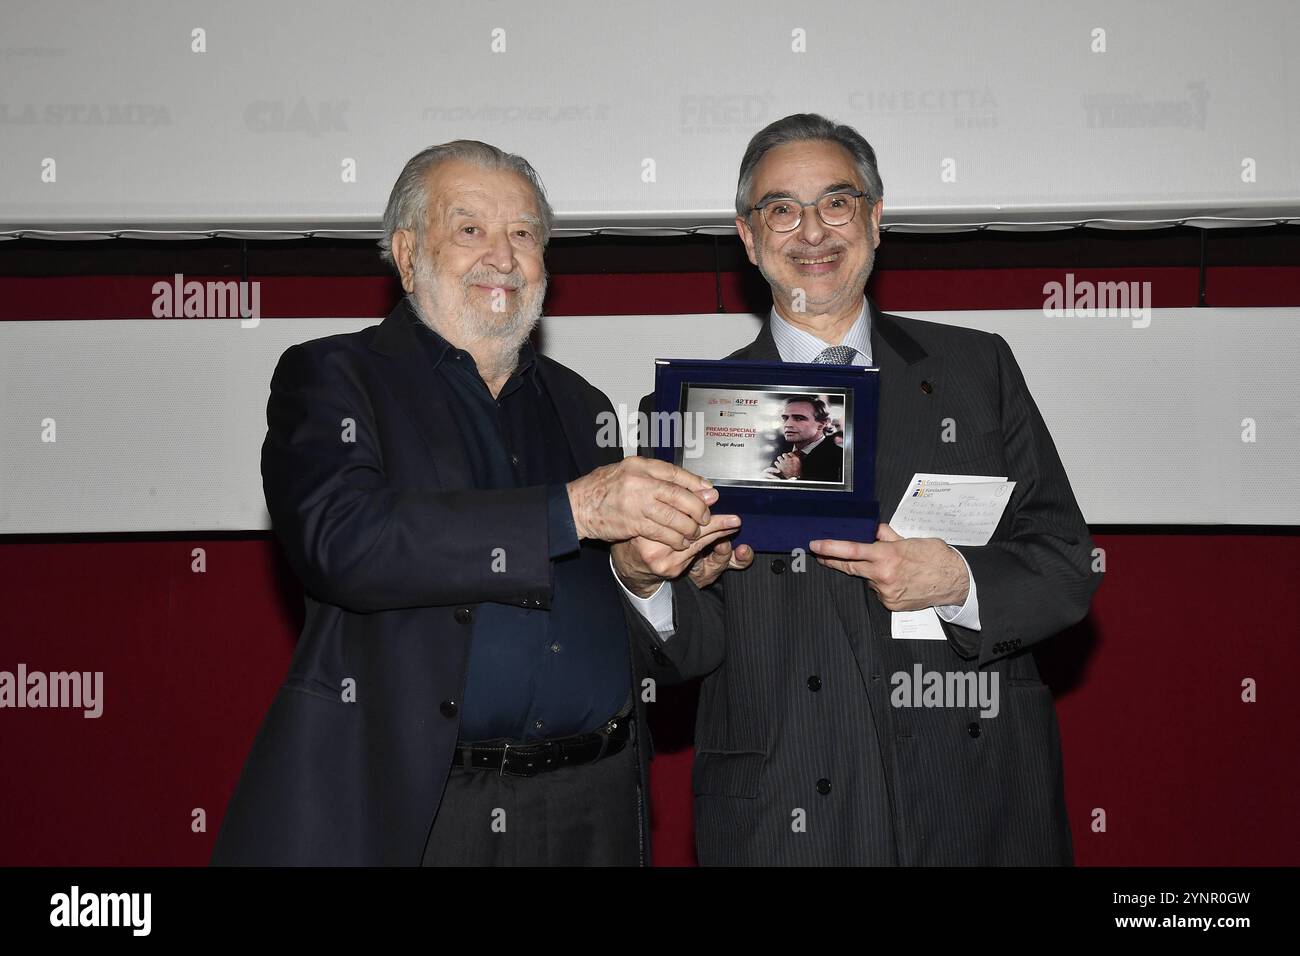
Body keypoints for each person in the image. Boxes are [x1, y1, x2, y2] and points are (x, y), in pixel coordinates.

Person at [211, 140, 733, 866]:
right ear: (405, 253)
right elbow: (341, 541)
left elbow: (659, 644)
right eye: (470, 230)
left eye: (524, 234)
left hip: (598, 810)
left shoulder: (583, 407)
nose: (503, 255)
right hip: (423, 811)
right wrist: (572, 511)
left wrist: (647, 581)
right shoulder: (335, 377)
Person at [611, 114, 1101, 865]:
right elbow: (678, 656)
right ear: (748, 237)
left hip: (977, 799)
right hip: (784, 809)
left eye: (836, 202)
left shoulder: (978, 371)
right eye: (782, 208)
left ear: (875, 218)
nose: (812, 230)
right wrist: (652, 583)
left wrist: (957, 580)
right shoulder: (695, 411)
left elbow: (1066, 566)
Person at [763, 396, 843, 482]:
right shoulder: (783, 447)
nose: (787, 424)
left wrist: (795, 478)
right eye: (785, 418)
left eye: (799, 418)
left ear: (822, 424)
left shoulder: (841, 457)